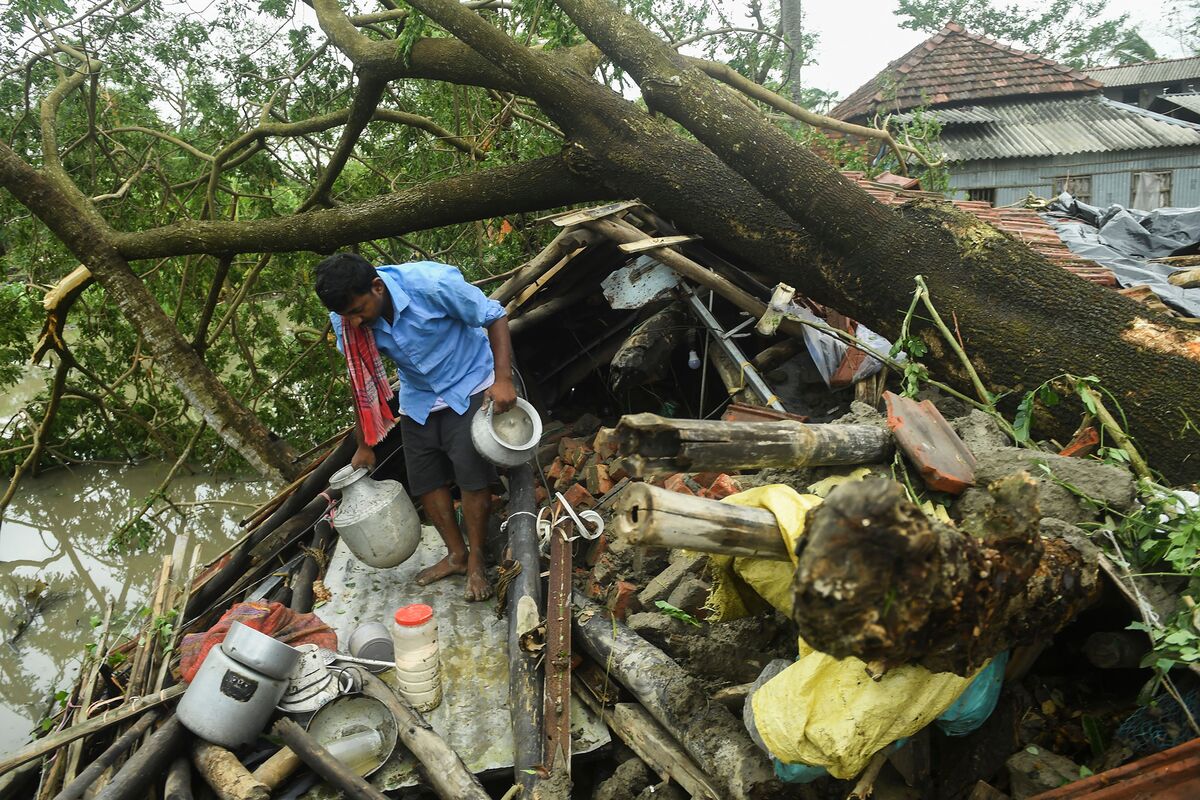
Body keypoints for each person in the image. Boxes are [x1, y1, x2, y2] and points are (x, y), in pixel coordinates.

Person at [314, 252, 517, 601]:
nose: (356, 322)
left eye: (359, 310)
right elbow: (359, 379)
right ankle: (456, 555)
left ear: (377, 287)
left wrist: (503, 380)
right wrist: (364, 444)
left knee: (471, 476)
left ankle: (476, 561)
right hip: (419, 397)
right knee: (425, 479)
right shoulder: (345, 320)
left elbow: (495, 316)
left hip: (469, 380)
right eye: (348, 315)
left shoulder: (432, 284)